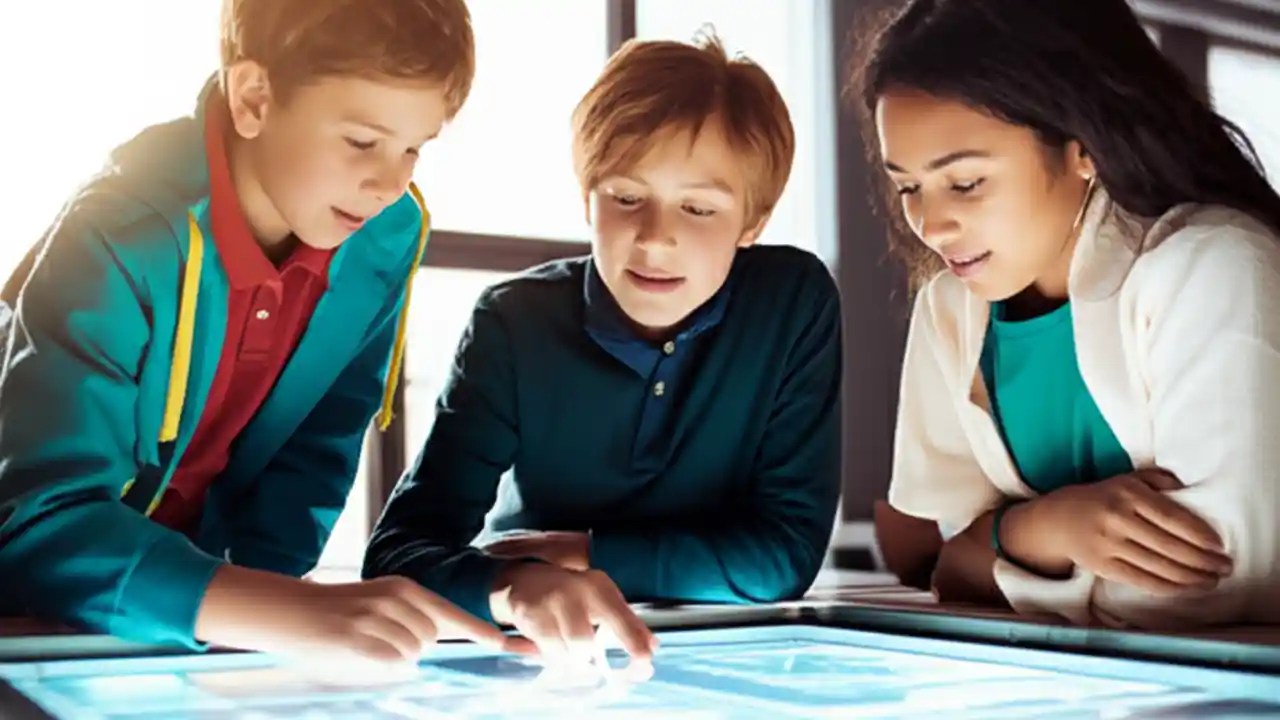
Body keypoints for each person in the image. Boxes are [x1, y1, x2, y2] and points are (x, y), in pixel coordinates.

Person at [0, 0, 524, 667]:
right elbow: (39, 524)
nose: (391, 183)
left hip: (193, 628)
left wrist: (270, 626)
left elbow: (317, 448)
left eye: (414, 149)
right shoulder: (123, 231)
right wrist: (281, 612)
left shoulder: (385, 237)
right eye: (362, 141)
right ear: (254, 98)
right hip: (32, 617)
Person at [364, 32, 843, 664]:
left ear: (752, 223)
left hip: (725, 650)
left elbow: (783, 557)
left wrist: (586, 552)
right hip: (541, 646)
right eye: (625, 197)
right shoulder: (513, 323)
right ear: (586, 194)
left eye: (698, 209)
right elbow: (398, 554)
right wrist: (510, 586)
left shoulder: (794, 303)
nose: (654, 239)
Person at [852, 0, 1280, 629]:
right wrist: (1046, 528)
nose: (930, 226)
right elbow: (934, 561)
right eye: (908, 187)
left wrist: (996, 548)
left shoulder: (1217, 266)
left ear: (1083, 148)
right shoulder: (950, 308)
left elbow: (1221, 587)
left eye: (966, 182)